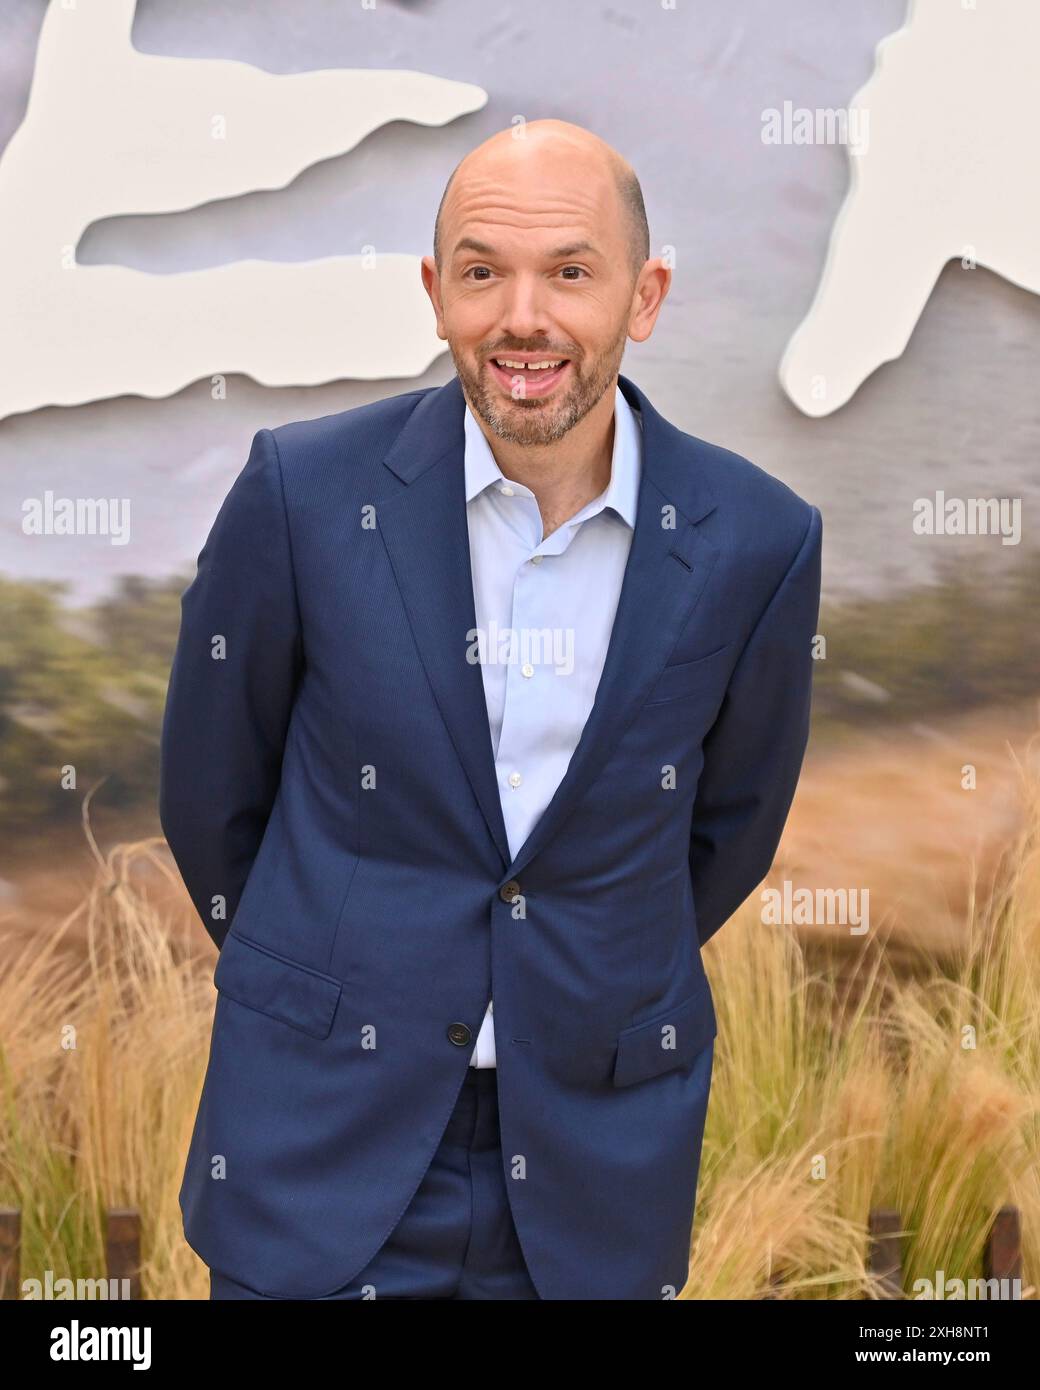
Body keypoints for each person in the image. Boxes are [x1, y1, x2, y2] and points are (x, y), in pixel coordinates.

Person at [160, 119, 822, 1301]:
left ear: (645, 293)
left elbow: (724, 831)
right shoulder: (302, 494)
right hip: (319, 1152)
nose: (523, 317)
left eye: (570, 271)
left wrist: (567, 972)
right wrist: (334, 971)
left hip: (589, 1174)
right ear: (435, 293)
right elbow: (214, 798)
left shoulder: (758, 538)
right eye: (481, 272)